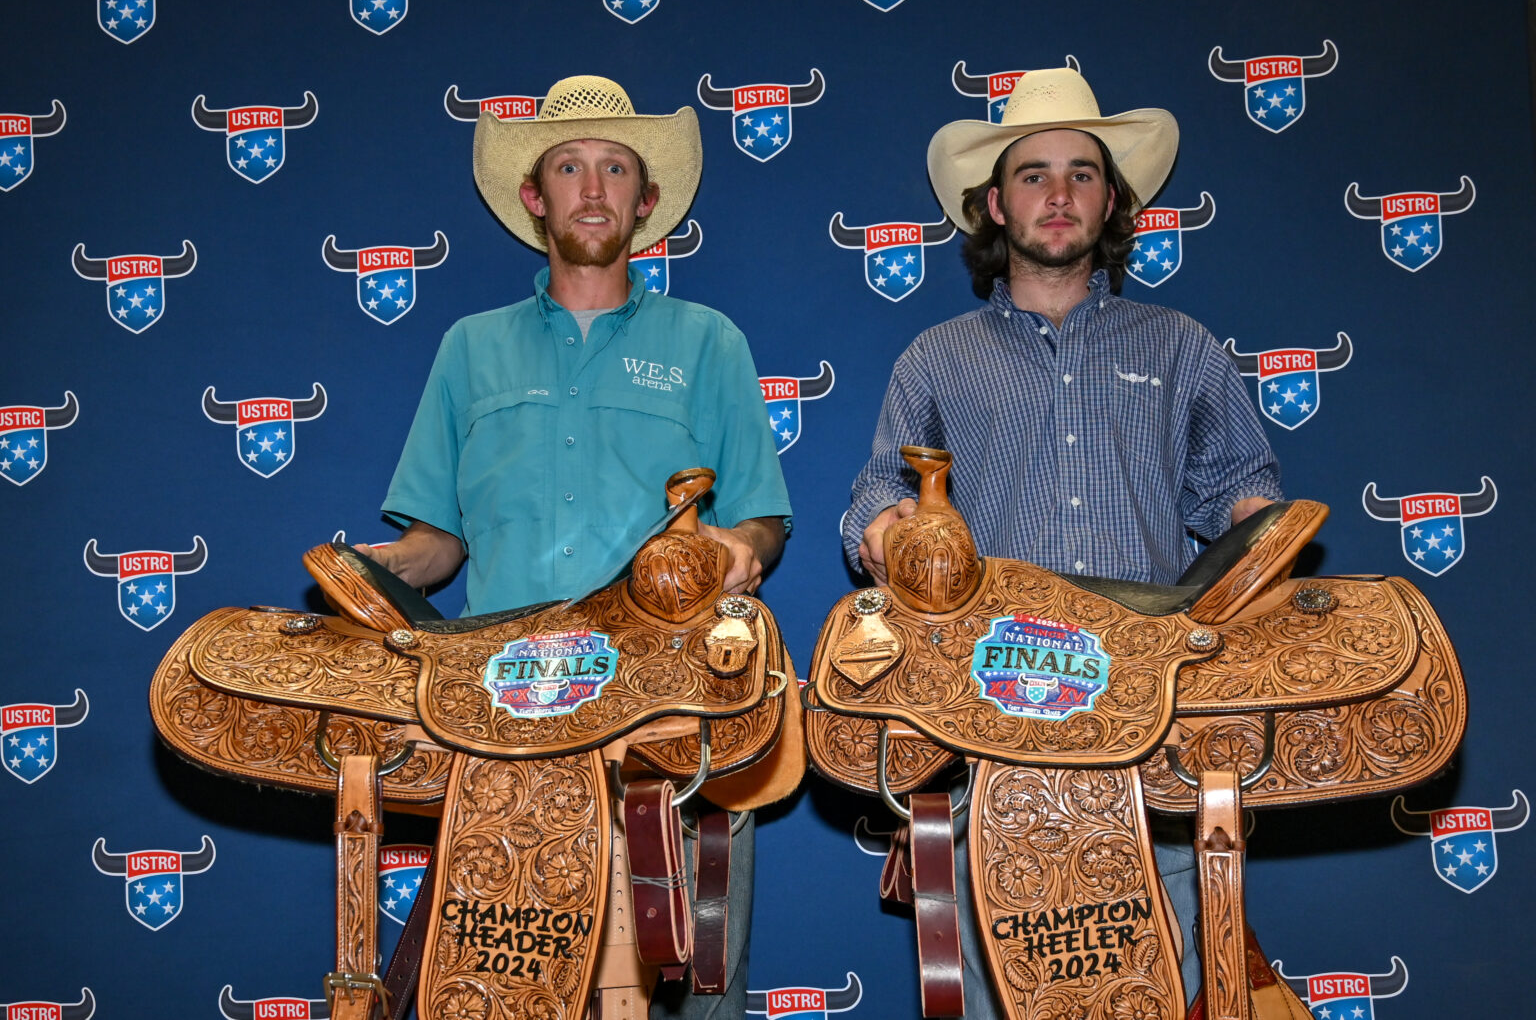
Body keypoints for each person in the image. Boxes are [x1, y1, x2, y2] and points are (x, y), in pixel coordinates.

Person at [843, 68, 1281, 1012]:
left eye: (1082, 174)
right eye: (1033, 174)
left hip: (1146, 715)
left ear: (1111, 200)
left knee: (1164, 976)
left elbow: (1248, 497)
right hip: (989, 715)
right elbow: (878, 493)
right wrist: (889, 533)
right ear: (995, 204)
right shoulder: (937, 359)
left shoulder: (1182, 347)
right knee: (1011, 968)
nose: (1058, 194)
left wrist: (1265, 549)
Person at [361, 75, 792, 1018]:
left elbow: (762, 515)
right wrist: (369, 573)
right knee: (503, 982)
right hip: (506, 702)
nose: (591, 188)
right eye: (568, 166)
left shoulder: (709, 342)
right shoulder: (469, 349)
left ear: (645, 202)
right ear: (534, 196)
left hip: (671, 699)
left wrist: (737, 548)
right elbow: (437, 544)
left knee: (690, 989)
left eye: (614, 169)